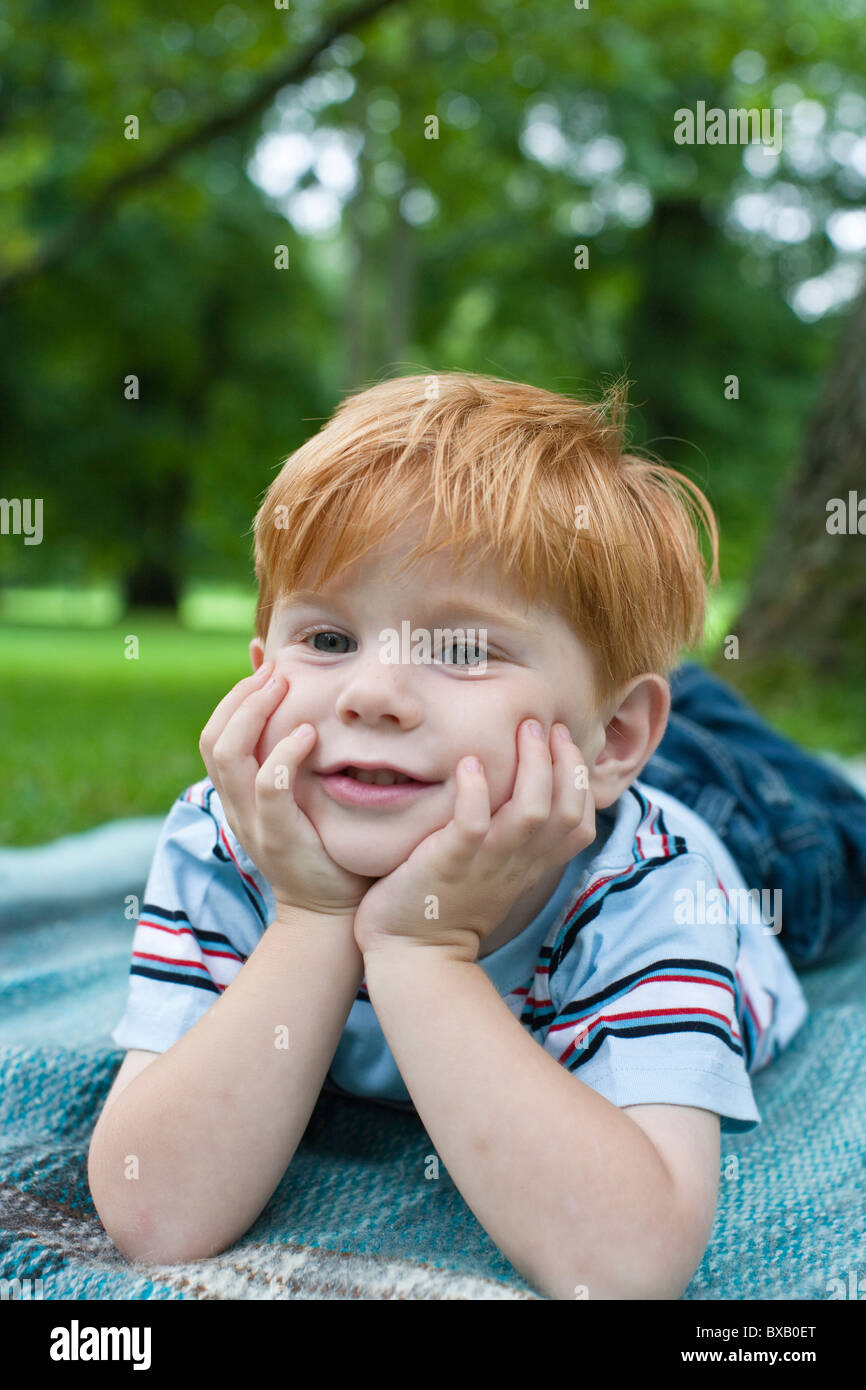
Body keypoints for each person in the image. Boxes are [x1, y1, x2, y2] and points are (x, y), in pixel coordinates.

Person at [87, 371, 859, 1300]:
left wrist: (424, 951)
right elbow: (156, 1216)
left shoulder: (653, 883)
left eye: (461, 650)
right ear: (259, 673)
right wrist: (311, 915)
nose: (371, 693)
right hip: (531, 748)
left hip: (749, 828)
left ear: (614, 740)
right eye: (328, 641)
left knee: (832, 839)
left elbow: (625, 1268)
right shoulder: (232, 831)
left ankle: (689, 707)